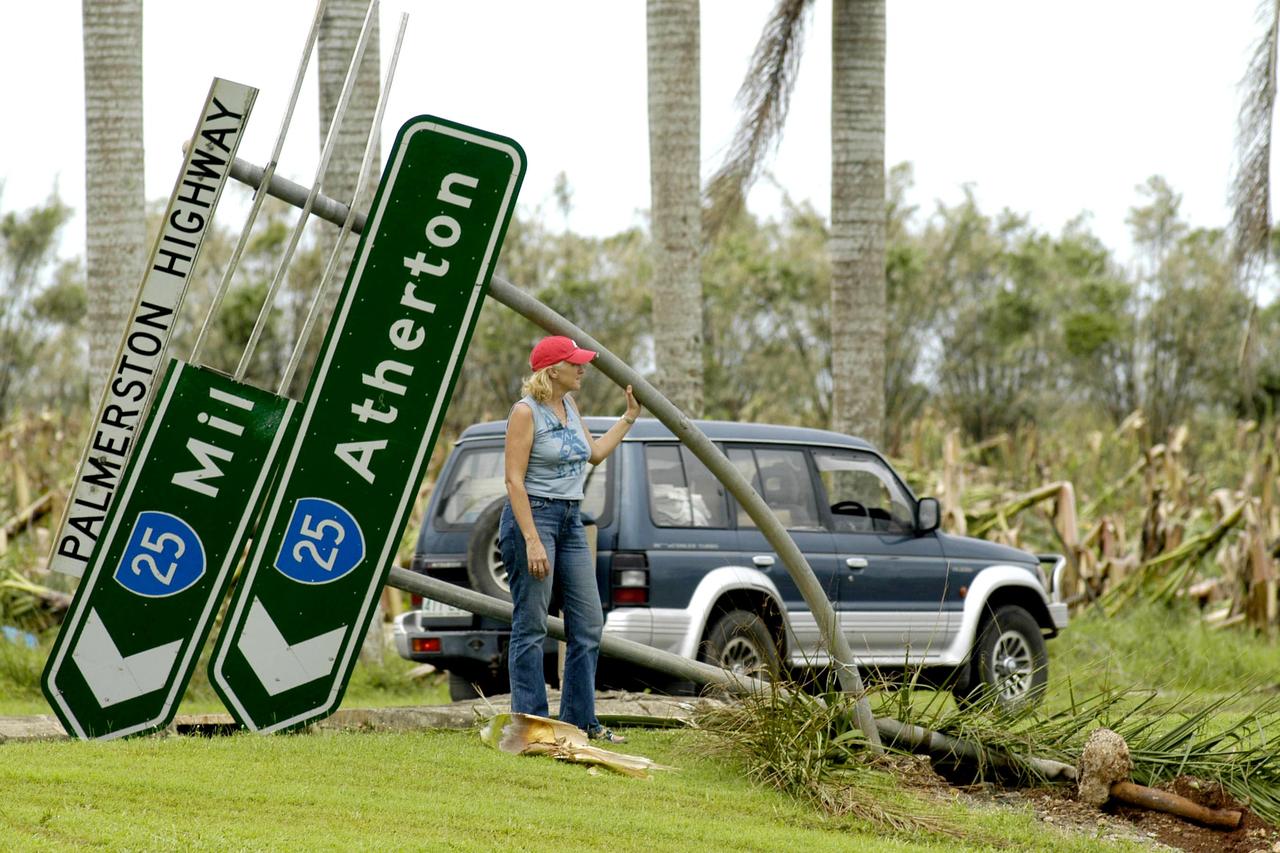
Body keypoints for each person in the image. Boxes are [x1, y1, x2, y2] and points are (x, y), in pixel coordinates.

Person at [500, 335, 640, 743]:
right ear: (553, 370)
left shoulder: (569, 405)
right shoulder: (526, 413)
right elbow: (513, 479)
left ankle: (581, 722)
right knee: (531, 623)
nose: (582, 368)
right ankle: (532, 726)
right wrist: (531, 539)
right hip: (534, 517)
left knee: (588, 624)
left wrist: (628, 418)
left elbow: (593, 454)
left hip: (570, 519)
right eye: (575, 363)